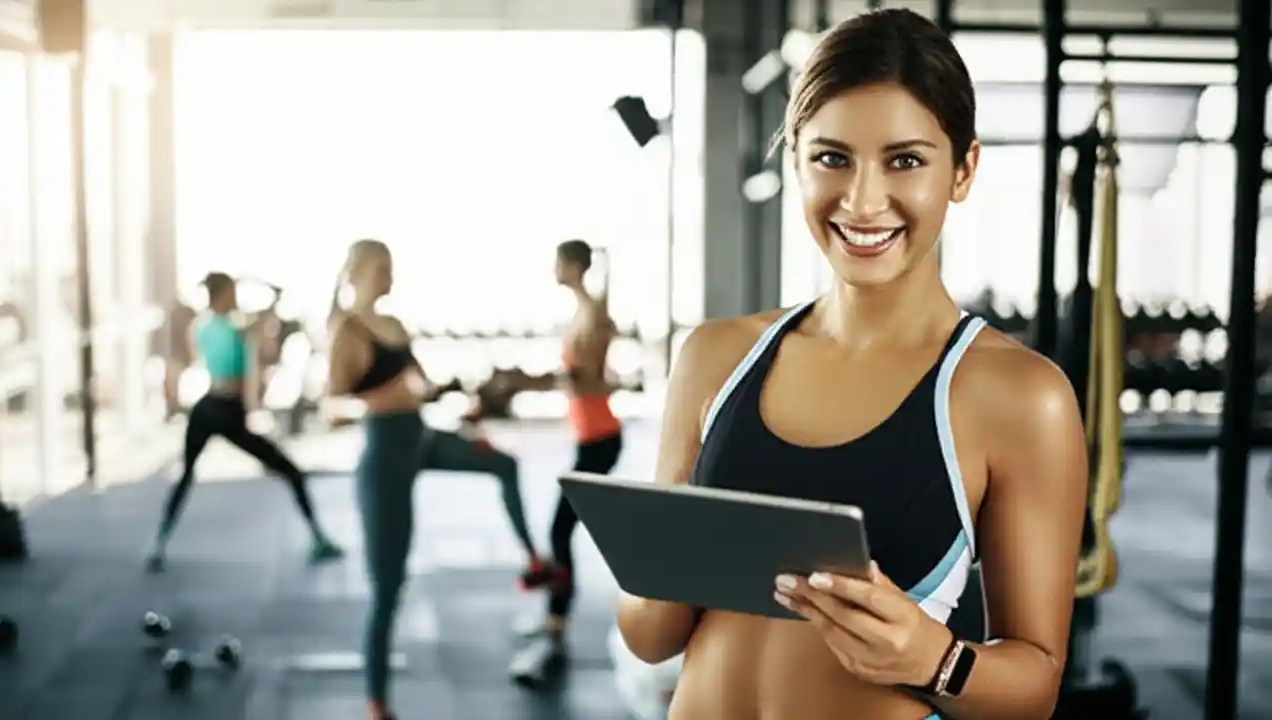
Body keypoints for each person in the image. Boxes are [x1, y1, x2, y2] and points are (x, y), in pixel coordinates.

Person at [616, 9, 1087, 720]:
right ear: (794, 157)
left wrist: (935, 657)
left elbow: (1034, 689)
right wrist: (658, 567)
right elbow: (650, 637)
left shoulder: (1017, 395)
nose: (863, 201)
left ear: (963, 169)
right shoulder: (716, 357)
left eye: (905, 160)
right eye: (832, 157)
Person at [322, 239, 546, 720]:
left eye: (392, 269)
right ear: (359, 272)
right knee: (387, 586)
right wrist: (386, 394)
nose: (390, 278)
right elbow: (332, 405)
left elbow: (421, 386)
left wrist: (465, 412)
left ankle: (534, 560)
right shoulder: (348, 330)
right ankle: (376, 702)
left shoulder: (396, 326)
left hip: (420, 436)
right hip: (384, 453)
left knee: (502, 463)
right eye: (383, 270)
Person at [146, 272, 344, 572]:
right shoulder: (234, 327)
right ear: (223, 294)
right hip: (225, 410)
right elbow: (260, 339)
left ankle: (158, 546)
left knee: (186, 475)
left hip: (209, 406)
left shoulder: (202, 327)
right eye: (232, 292)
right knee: (291, 473)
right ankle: (319, 538)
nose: (236, 297)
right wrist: (272, 299)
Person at [511, 240, 624, 684]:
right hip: (590, 436)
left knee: (561, 529)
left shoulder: (592, 315)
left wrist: (557, 380)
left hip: (600, 438)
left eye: (559, 262)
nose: (554, 269)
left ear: (574, 266)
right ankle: (555, 617)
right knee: (562, 529)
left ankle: (558, 621)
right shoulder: (584, 312)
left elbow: (592, 378)